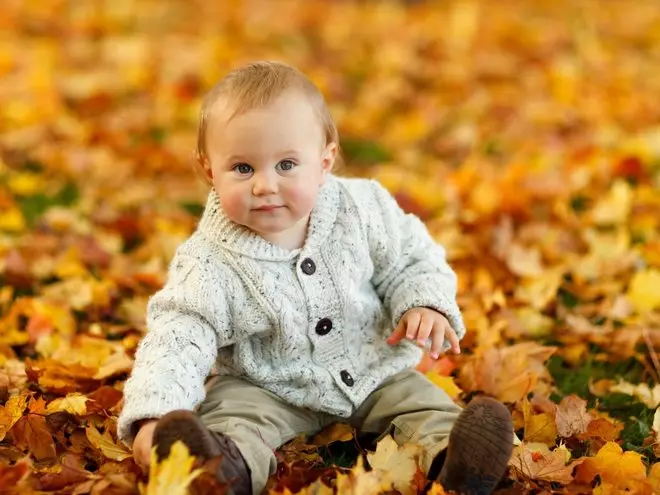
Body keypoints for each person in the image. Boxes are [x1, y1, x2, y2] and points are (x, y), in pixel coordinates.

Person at [117, 61, 514, 495]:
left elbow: (411, 258)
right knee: (235, 419)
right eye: (243, 169)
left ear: (324, 162)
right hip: (266, 384)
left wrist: (424, 302)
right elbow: (179, 336)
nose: (265, 185)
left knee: (421, 407)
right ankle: (216, 470)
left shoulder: (363, 208)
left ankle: (456, 462)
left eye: (287, 164)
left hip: (374, 368)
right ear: (210, 170)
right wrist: (155, 413)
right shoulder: (209, 261)